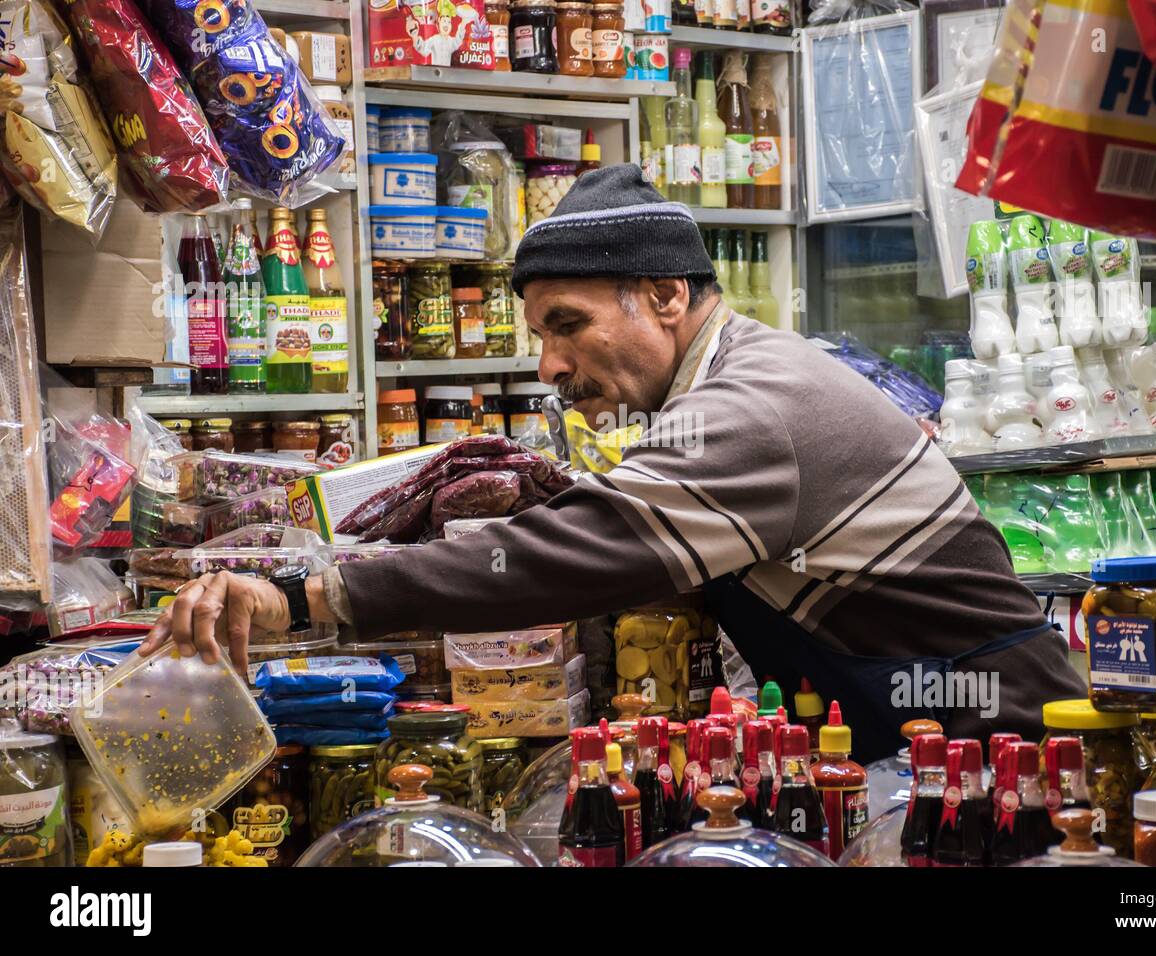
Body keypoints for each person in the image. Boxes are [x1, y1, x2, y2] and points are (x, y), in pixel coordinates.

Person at [141, 165, 1085, 760]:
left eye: (569, 327)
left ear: (667, 295)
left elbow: (575, 550)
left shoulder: (752, 409)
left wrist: (313, 595)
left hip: (997, 730)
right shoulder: (721, 385)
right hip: (917, 720)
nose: (550, 367)